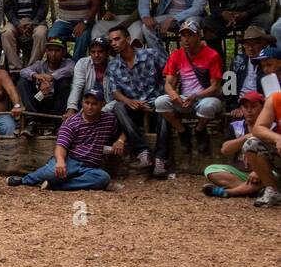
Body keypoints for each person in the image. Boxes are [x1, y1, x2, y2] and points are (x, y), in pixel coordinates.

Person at [9, 86, 125, 191]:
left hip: (90, 166)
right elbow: (61, 145)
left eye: (94, 104)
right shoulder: (72, 122)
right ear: (82, 103)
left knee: (103, 178)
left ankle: (57, 186)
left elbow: (125, 131)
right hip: (71, 161)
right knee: (52, 172)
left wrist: (120, 140)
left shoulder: (109, 120)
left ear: (102, 104)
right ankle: (25, 180)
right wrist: (60, 161)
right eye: (87, 103)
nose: (90, 107)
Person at [153, 19, 224, 164]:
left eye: (190, 35)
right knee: (159, 102)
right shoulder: (176, 55)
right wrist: (174, 94)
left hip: (205, 97)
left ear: (198, 36)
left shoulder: (212, 55)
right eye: (183, 35)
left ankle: (199, 129)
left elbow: (215, 87)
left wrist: (195, 96)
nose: (186, 39)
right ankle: (182, 130)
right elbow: (168, 83)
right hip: (185, 98)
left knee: (208, 106)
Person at [104, 25, 161, 172]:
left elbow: (169, 73)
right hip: (133, 106)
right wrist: (129, 101)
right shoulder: (113, 65)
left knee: (164, 106)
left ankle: (162, 159)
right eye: (111, 41)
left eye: (117, 39)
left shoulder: (150, 55)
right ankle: (143, 151)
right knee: (118, 106)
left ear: (128, 39)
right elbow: (115, 92)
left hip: (155, 102)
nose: (114, 43)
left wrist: (166, 93)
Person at [203, 91, 268, 200]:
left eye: (253, 106)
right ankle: (253, 190)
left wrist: (258, 170)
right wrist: (247, 137)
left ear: (263, 108)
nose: (249, 110)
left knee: (275, 174)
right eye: (245, 107)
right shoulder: (236, 126)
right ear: (241, 108)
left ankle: (230, 192)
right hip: (241, 173)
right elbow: (225, 150)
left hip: (266, 172)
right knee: (210, 169)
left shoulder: (271, 126)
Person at [242, 50, 281, 207]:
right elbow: (258, 128)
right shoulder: (274, 97)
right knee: (251, 144)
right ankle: (273, 192)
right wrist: (277, 138)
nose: (265, 70)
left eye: (269, 65)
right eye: (263, 66)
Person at [0, 0, 50, 71]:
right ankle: (15, 68)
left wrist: (33, 23)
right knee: (6, 33)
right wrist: (17, 24)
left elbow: (43, 8)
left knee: (41, 34)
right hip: (16, 21)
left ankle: (32, 68)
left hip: (35, 21)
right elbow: (8, 9)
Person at [16, 38, 74, 123]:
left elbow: (70, 70)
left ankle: (57, 122)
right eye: (50, 50)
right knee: (22, 81)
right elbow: (23, 71)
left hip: (59, 104)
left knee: (64, 82)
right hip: (40, 100)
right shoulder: (40, 65)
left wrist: (51, 77)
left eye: (57, 50)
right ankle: (31, 119)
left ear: (63, 52)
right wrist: (36, 76)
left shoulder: (68, 63)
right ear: (46, 51)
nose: (53, 54)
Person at [226, 25, 274, 110]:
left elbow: (272, 93)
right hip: (240, 104)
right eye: (247, 44)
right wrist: (234, 107)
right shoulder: (237, 60)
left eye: (255, 44)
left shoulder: (270, 63)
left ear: (265, 45)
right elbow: (228, 88)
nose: (250, 48)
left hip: (262, 105)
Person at [64, 38, 112, 117]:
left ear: (107, 53)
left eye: (100, 52)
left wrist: (103, 110)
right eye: (93, 52)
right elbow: (77, 87)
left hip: (108, 107)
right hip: (87, 105)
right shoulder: (83, 63)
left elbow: (117, 96)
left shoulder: (114, 65)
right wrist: (71, 109)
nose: (96, 55)